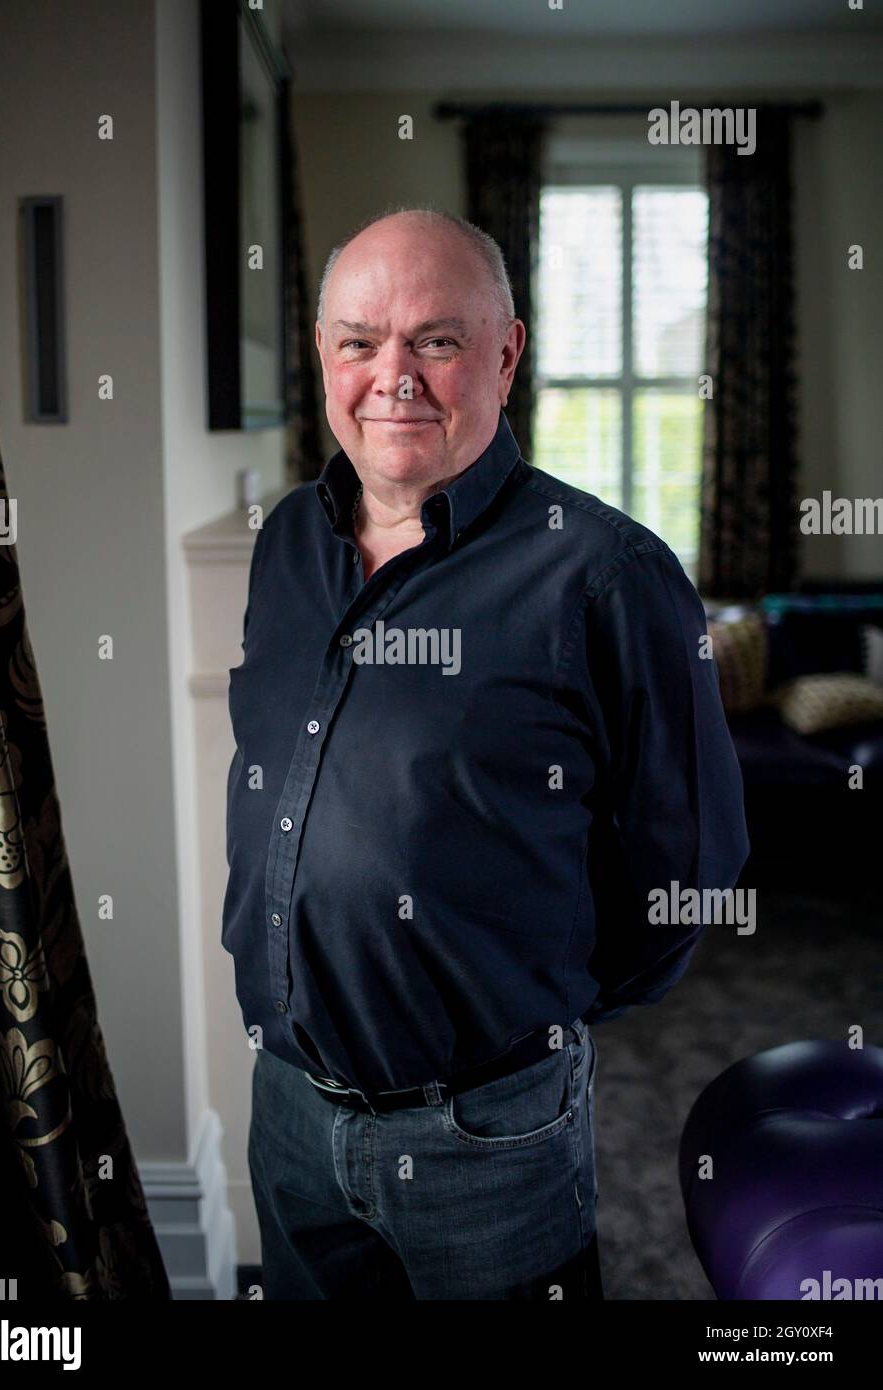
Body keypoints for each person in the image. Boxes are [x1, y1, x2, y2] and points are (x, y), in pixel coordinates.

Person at [221, 207, 749, 1300]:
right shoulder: (284, 543)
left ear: (505, 353)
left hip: (486, 1136)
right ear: (324, 354)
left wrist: (528, 1008)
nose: (392, 376)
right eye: (359, 341)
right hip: (287, 1107)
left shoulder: (604, 575)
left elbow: (687, 871)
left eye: (438, 341)